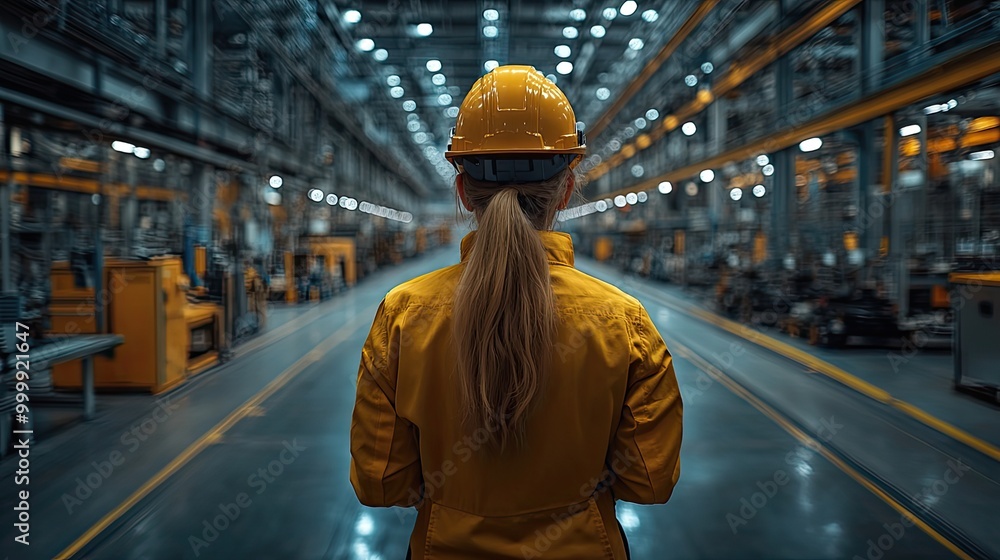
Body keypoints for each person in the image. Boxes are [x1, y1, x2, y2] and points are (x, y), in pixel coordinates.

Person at [350, 65, 682, 559]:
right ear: (565, 190)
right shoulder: (623, 321)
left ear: (463, 192)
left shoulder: (403, 315)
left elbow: (380, 482)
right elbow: (649, 480)